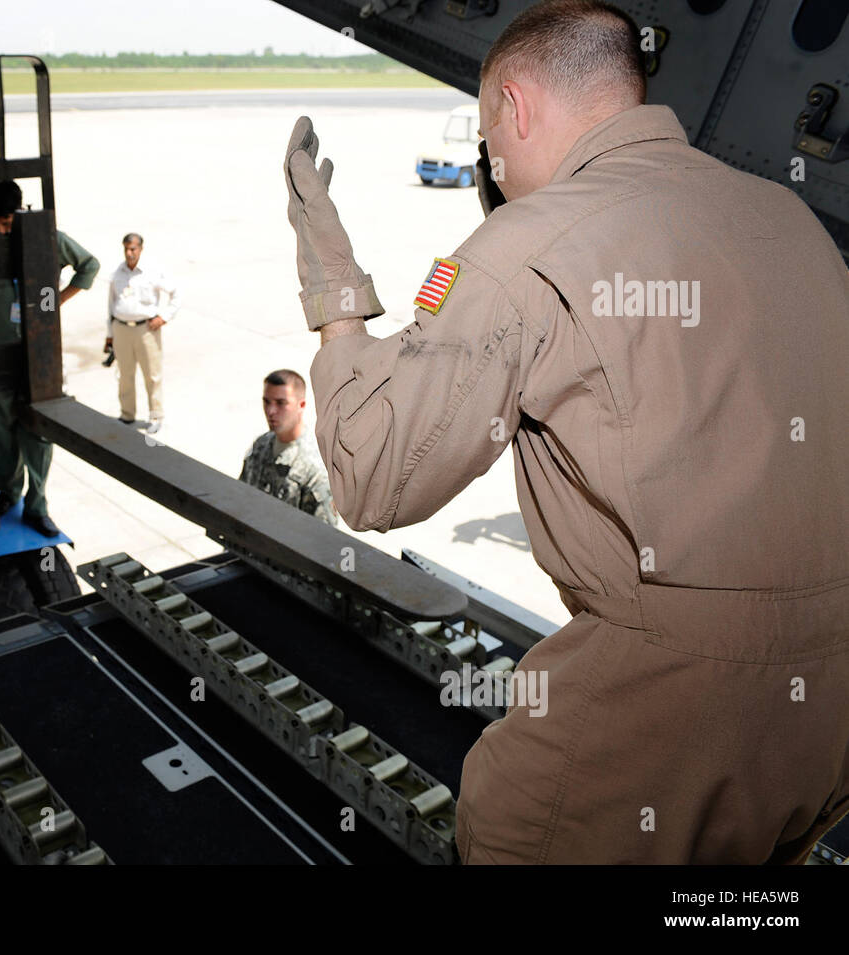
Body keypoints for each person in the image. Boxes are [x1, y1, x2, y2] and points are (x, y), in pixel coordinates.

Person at [284, 0, 849, 864]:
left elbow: (374, 476)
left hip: (672, 711)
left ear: (515, 104)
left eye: (489, 137)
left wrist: (332, 284)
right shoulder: (792, 220)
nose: (494, 166)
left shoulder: (534, 242)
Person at [0, 180, 99, 537]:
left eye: (7, 223)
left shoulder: (46, 240)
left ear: (20, 213)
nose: (1, 231)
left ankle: (36, 505)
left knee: (39, 434)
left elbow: (89, 265)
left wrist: (57, 301)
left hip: (37, 353)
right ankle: (8, 493)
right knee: (0, 432)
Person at [239, 369, 336, 525]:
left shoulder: (315, 468)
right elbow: (241, 498)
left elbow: (323, 539)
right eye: (267, 402)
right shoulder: (261, 445)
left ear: (301, 405)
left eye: (281, 403)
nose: (271, 411)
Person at [106, 233, 178, 434]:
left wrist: (164, 317)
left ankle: (155, 416)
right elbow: (110, 305)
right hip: (121, 329)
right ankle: (127, 415)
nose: (129, 253)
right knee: (125, 375)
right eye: (127, 249)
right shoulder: (117, 273)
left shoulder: (152, 272)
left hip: (146, 330)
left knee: (152, 375)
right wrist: (109, 334)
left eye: (133, 249)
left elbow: (176, 293)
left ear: (140, 249)